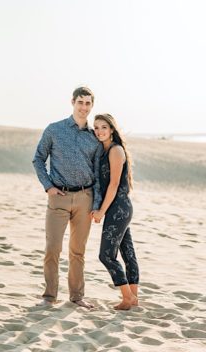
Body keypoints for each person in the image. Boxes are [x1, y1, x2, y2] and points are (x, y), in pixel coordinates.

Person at [32, 86, 104, 309]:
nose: (84, 107)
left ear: (92, 106)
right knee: (52, 247)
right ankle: (49, 296)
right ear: (72, 102)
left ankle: (76, 296)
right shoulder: (54, 130)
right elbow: (38, 159)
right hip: (59, 197)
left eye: (88, 103)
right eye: (80, 102)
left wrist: (97, 203)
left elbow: (99, 175)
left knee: (78, 251)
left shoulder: (94, 138)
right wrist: (48, 187)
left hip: (85, 197)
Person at [91, 113, 139, 310]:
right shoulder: (103, 151)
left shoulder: (115, 150)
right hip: (118, 207)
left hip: (118, 207)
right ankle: (133, 298)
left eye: (104, 127)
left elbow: (113, 184)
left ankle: (127, 297)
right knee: (127, 252)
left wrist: (101, 211)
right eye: (96, 128)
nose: (100, 131)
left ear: (112, 129)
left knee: (106, 255)